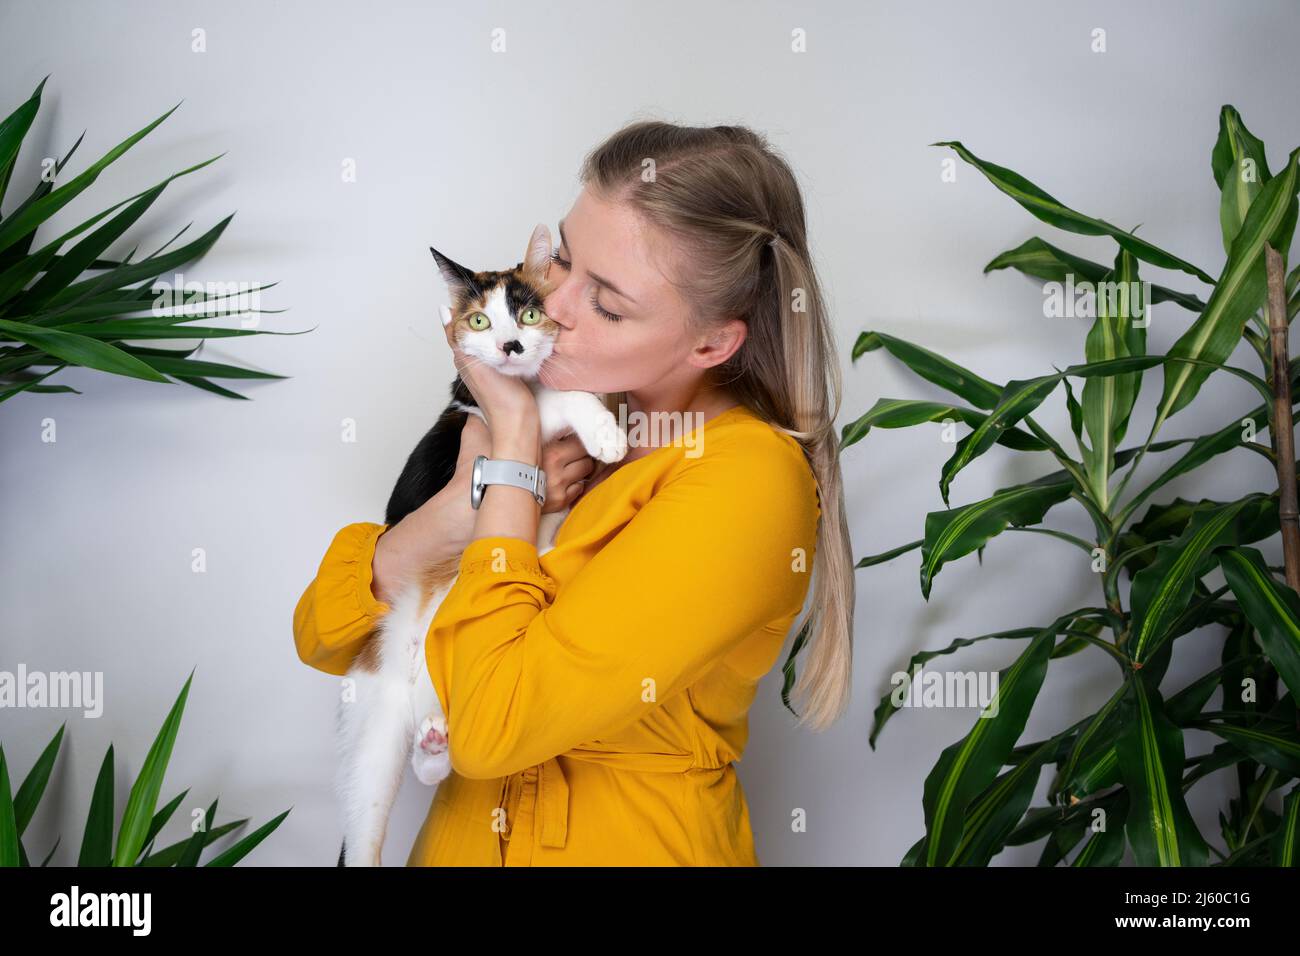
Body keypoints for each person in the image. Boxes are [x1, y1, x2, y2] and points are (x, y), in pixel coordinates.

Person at [293, 121, 855, 866]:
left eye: (610, 307)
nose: (551, 306)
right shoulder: (597, 421)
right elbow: (325, 631)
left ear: (712, 345)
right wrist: (464, 504)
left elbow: (491, 727)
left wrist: (515, 437)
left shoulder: (747, 482)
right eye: (562, 257)